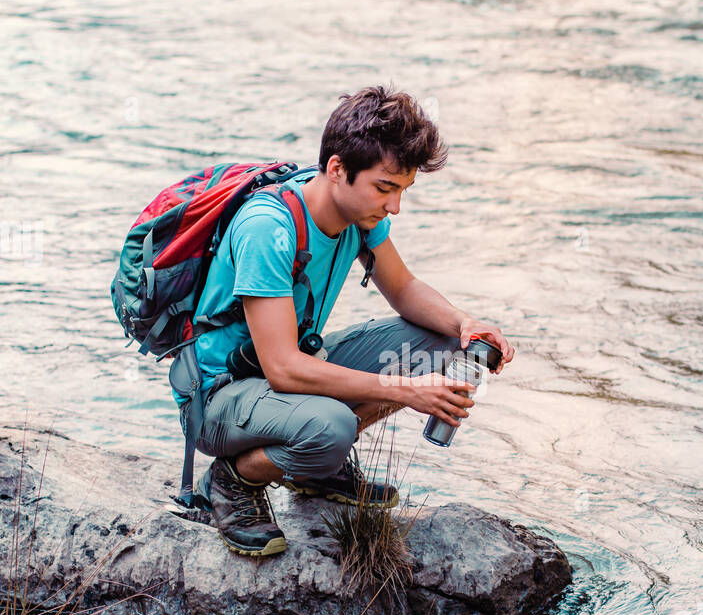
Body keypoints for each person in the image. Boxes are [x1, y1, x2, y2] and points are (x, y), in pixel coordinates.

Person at [176, 84, 514, 556]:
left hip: (283, 382)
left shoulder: (361, 217)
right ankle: (232, 480)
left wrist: (465, 324)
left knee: (447, 347)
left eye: (403, 190)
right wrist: (406, 392)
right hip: (220, 398)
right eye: (385, 188)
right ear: (337, 169)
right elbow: (284, 369)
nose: (394, 206)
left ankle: (317, 470)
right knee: (331, 425)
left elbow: (403, 288)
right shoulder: (267, 228)